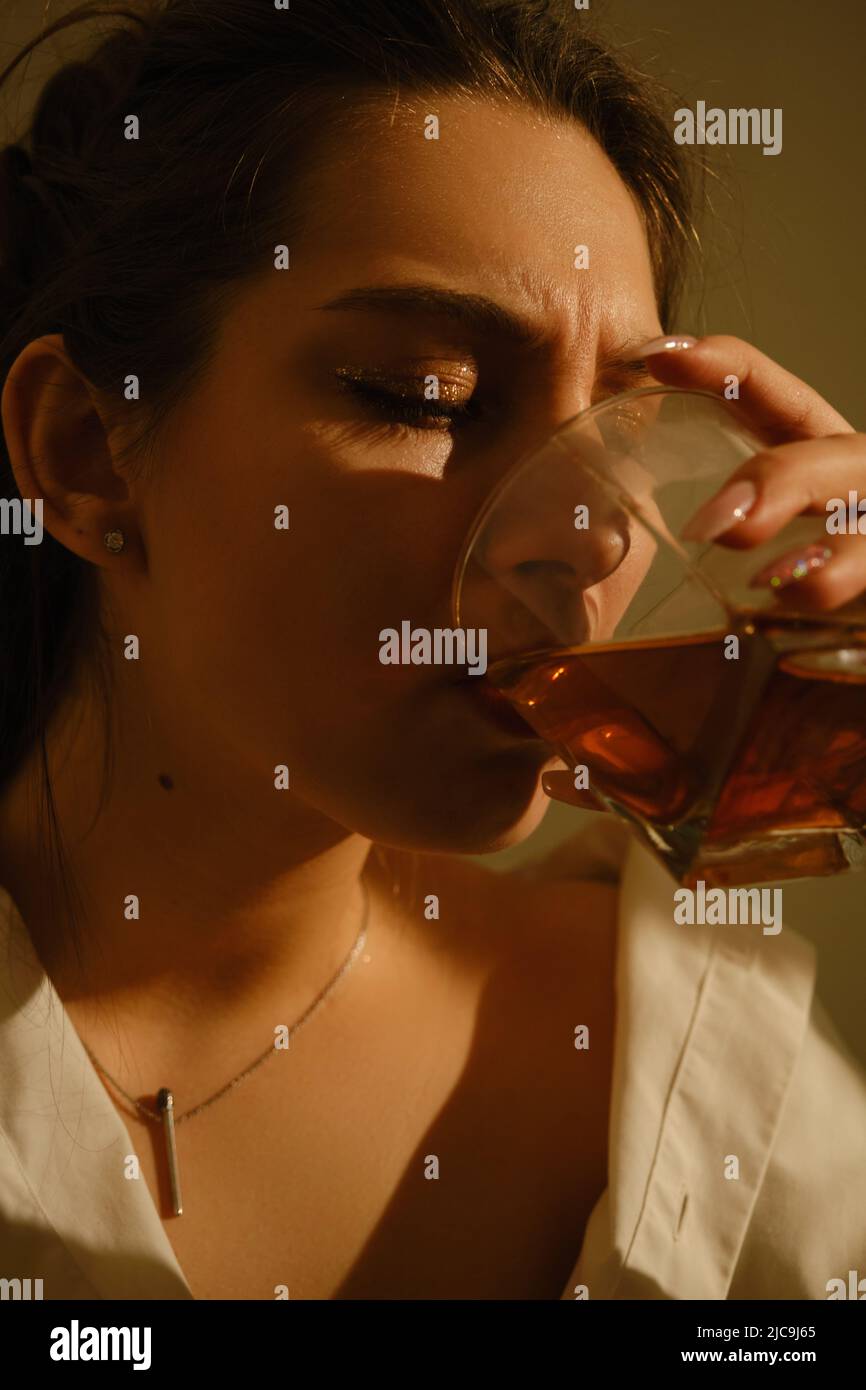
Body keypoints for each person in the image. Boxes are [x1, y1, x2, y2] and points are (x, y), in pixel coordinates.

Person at [0, 0, 864, 1302]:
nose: (587, 535)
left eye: (628, 426)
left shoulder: (708, 1080)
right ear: (82, 452)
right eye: (427, 395)